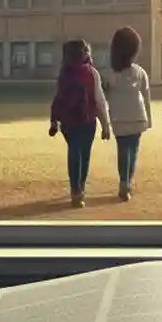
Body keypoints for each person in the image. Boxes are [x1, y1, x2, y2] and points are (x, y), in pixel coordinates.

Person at [48, 40, 110, 208]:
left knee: (74, 152)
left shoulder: (64, 73)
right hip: (88, 120)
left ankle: (75, 190)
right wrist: (106, 124)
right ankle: (80, 188)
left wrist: (54, 120)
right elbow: (99, 101)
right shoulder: (92, 73)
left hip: (68, 122)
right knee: (84, 154)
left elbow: (58, 98)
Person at [101, 26, 153, 202]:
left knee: (123, 151)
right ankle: (127, 182)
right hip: (138, 117)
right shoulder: (139, 72)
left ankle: (124, 182)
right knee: (133, 151)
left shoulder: (110, 75)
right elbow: (146, 96)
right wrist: (149, 120)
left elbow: (104, 97)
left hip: (118, 119)